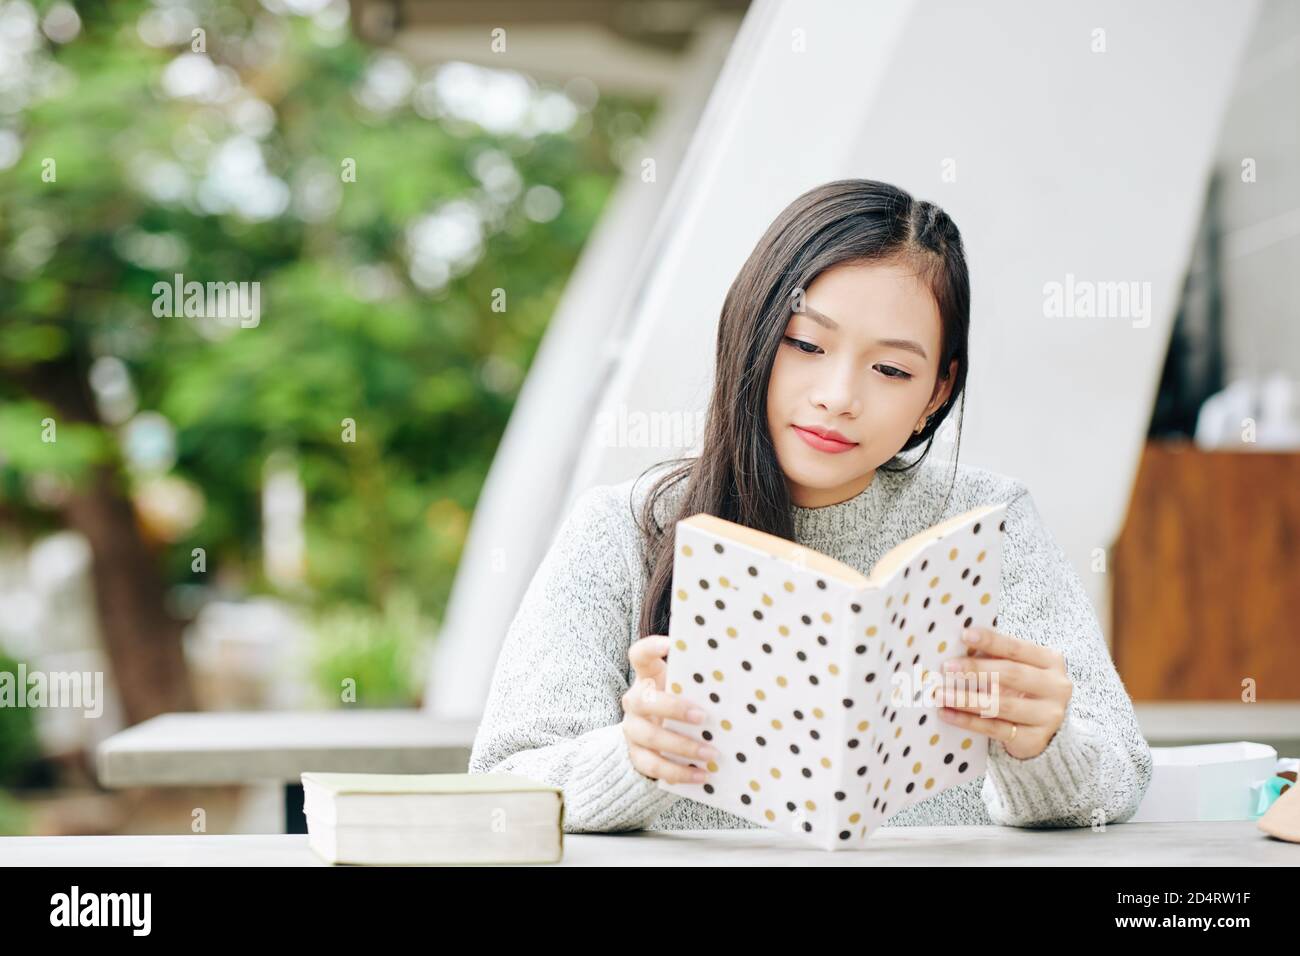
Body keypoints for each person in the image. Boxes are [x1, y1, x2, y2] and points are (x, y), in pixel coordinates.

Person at [468, 178, 1153, 833]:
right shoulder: (625, 526)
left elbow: (1120, 775)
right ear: (753, 332)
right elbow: (501, 786)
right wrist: (632, 757)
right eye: (805, 343)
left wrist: (1042, 747)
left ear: (937, 394)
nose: (839, 395)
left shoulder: (989, 520)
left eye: (892, 369)